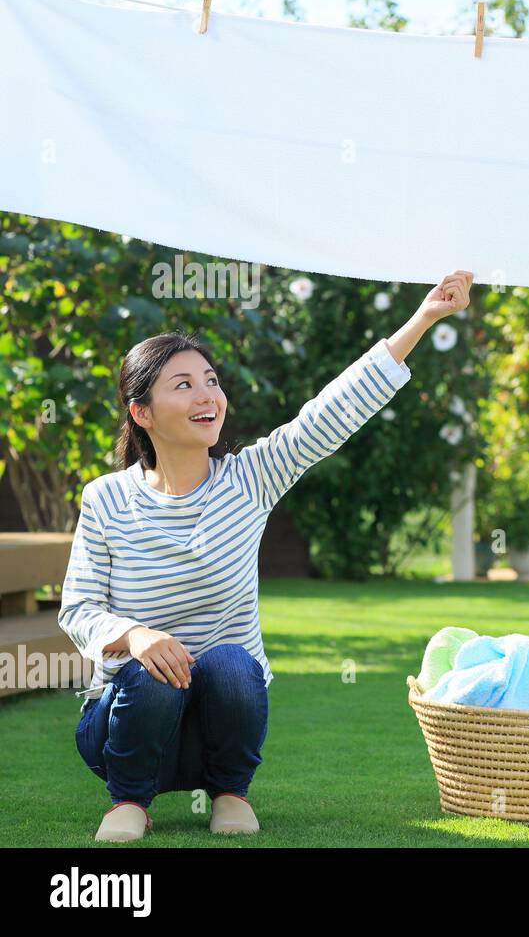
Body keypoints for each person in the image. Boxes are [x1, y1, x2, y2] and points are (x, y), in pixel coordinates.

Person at [58, 271, 474, 842]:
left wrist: (423, 318)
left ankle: (230, 793)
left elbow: (329, 414)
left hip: (218, 730)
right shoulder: (106, 498)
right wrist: (134, 635)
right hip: (125, 724)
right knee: (150, 670)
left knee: (231, 663)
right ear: (142, 413)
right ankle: (128, 801)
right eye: (183, 385)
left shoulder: (250, 480)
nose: (207, 395)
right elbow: (77, 607)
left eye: (210, 380)